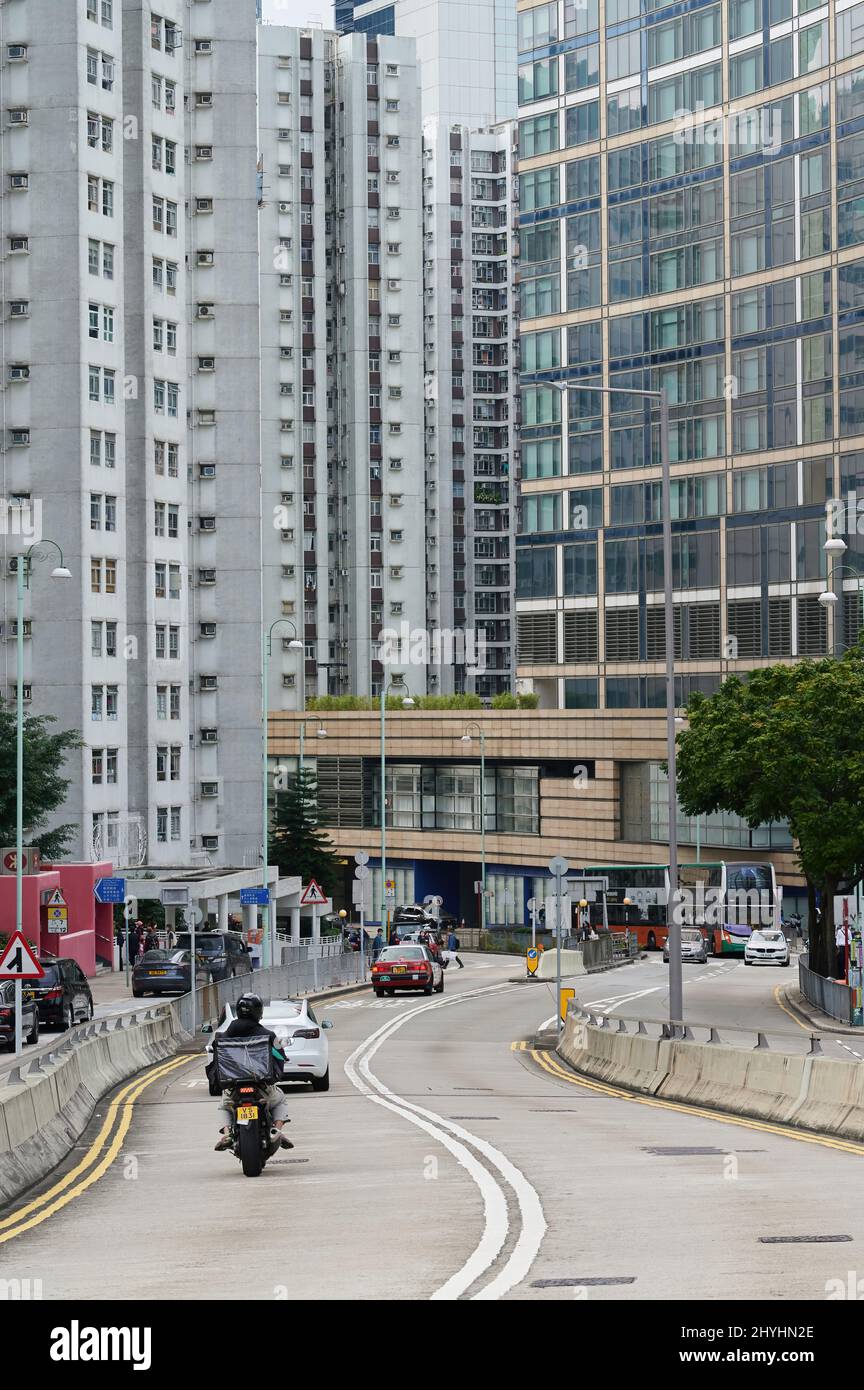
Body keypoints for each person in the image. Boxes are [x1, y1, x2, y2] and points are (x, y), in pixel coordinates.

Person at [213, 993, 294, 1152]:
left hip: (234, 1089)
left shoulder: (223, 1036)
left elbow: (217, 1060)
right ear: (258, 1012)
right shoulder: (269, 1035)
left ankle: (228, 1134)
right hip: (262, 1088)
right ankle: (276, 1130)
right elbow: (279, 1055)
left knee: (224, 1106)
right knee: (280, 1100)